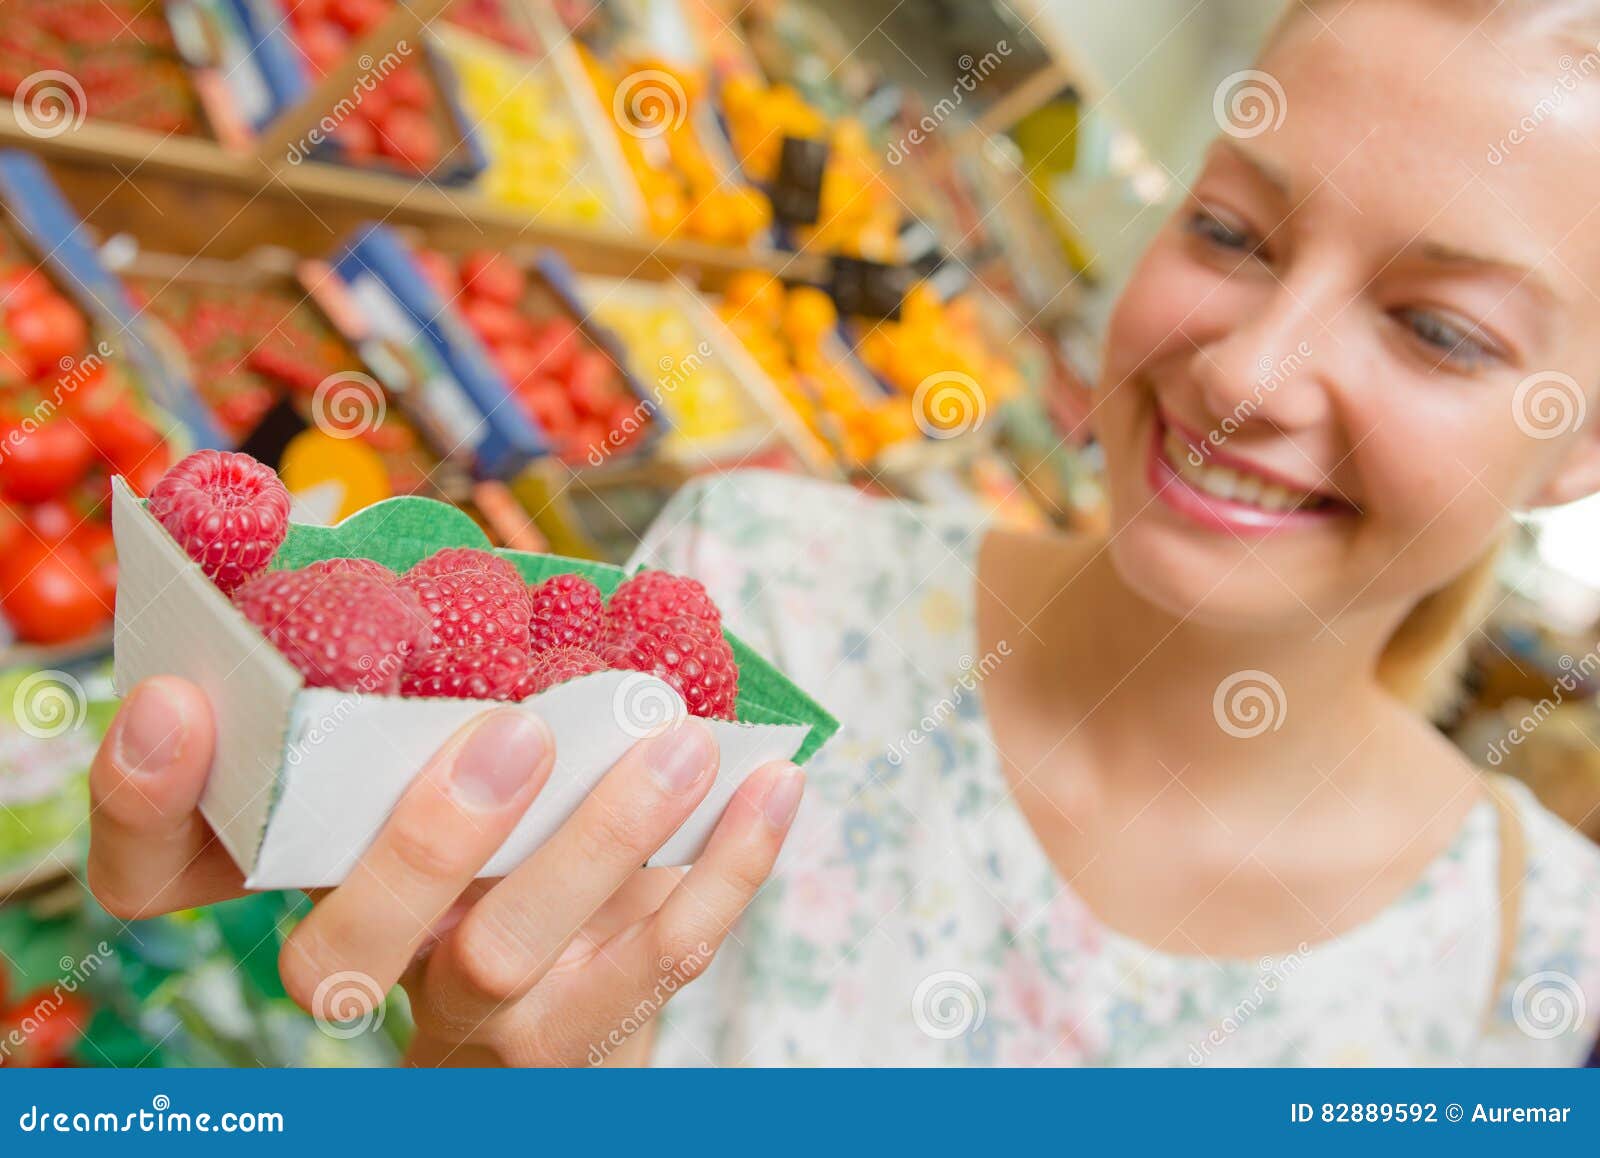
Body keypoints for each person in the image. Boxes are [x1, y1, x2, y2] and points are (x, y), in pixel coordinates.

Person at [88, 0, 1600, 1065]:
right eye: (1230, 231)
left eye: (1440, 332)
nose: (1249, 371)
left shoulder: (1537, 970)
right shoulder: (758, 588)